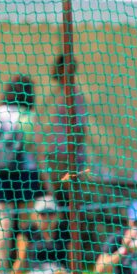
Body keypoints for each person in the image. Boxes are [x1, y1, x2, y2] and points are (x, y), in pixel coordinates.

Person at [0, 75, 50, 274]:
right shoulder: (30, 116)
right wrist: (47, 183)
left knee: (3, 224)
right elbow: (39, 152)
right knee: (25, 224)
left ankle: (3, 272)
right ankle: (23, 267)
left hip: (2, 173)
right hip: (26, 172)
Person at [0, 195, 73, 274]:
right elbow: (21, 260)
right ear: (35, 215)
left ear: (57, 215)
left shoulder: (65, 233)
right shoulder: (27, 234)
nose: (47, 218)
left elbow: (72, 261)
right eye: (43, 214)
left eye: (51, 214)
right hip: (38, 273)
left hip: (60, 271)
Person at [48, 53, 88, 200]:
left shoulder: (73, 95)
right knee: (59, 198)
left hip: (68, 158)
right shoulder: (62, 93)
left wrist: (70, 156)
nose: (52, 70)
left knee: (70, 199)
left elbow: (80, 128)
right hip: (59, 157)